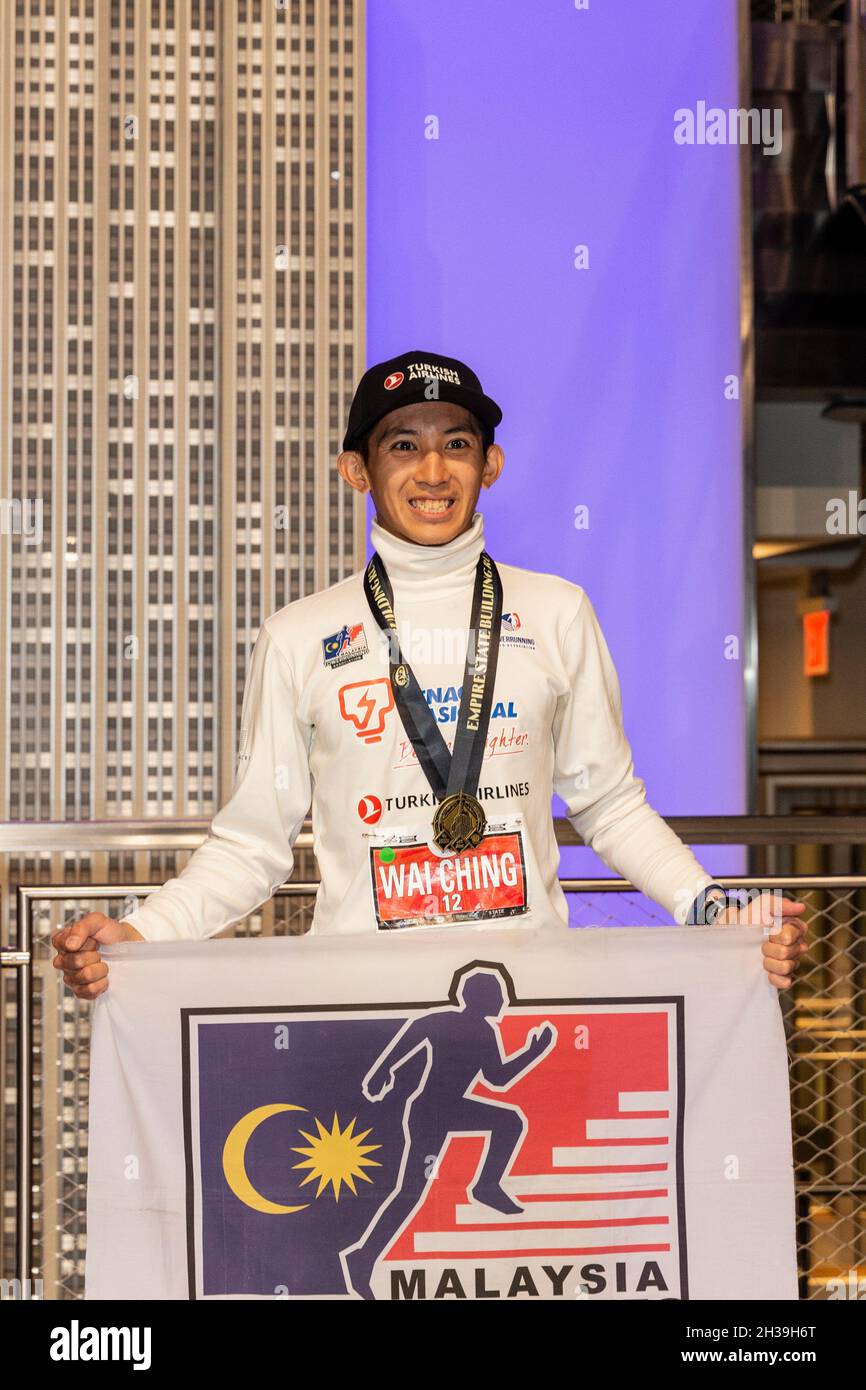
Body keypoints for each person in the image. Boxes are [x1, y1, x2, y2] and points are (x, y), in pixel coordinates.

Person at [52, 349, 808, 996]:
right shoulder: (300, 636)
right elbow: (253, 845)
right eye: (403, 446)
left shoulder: (556, 612)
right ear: (357, 469)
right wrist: (142, 932)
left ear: (491, 464)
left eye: (458, 443)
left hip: (531, 995)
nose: (435, 470)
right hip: (356, 1004)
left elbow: (609, 806)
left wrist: (712, 911)